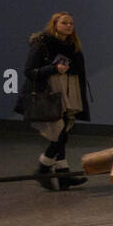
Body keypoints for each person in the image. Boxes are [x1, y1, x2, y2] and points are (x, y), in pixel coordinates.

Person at [14, 12, 91, 190]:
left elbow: (79, 69)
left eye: (71, 23)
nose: (69, 26)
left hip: (69, 92)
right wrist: (53, 68)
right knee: (60, 133)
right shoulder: (43, 44)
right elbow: (30, 71)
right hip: (51, 92)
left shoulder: (73, 46)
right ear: (54, 24)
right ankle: (44, 167)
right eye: (65, 23)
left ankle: (63, 174)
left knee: (63, 131)